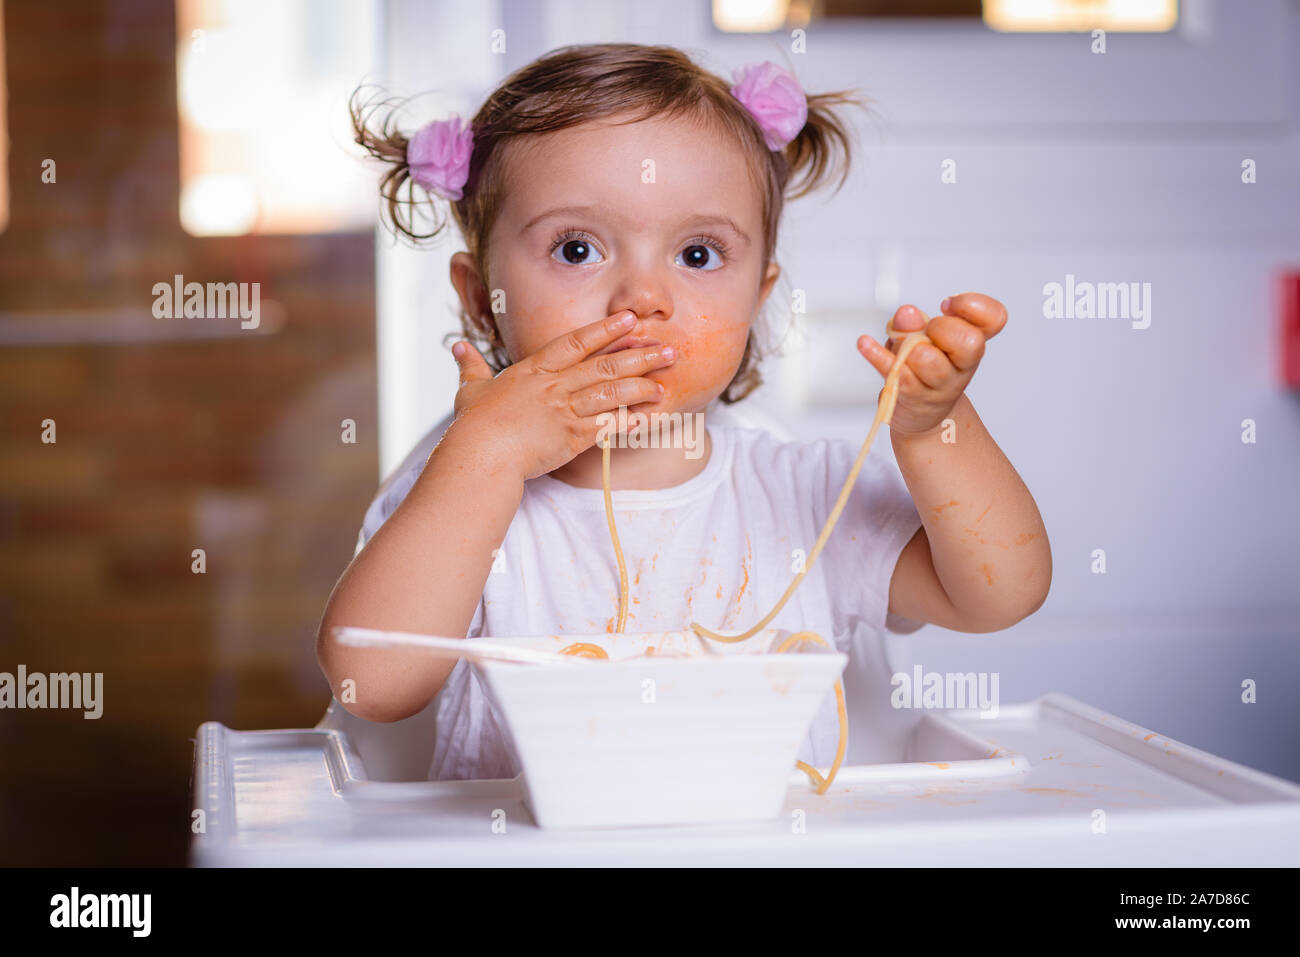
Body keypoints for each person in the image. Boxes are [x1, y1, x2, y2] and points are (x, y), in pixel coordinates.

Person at [316, 42, 1051, 782]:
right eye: (576, 248)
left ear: (757, 299)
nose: (644, 297)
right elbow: (370, 686)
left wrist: (936, 429)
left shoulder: (802, 493)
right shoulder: (457, 489)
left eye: (698, 255)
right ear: (482, 297)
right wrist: (488, 454)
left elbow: (1000, 593)